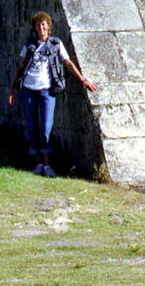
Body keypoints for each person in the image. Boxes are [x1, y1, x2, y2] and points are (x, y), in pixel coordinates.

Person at [7, 12, 97, 177]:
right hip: (28, 90)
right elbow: (20, 68)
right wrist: (11, 89)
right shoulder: (29, 45)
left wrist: (83, 80)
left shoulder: (56, 43)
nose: (41, 28)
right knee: (32, 127)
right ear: (35, 28)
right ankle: (39, 164)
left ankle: (48, 165)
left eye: (44, 24)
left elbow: (67, 62)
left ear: (48, 27)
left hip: (47, 90)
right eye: (38, 25)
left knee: (46, 128)